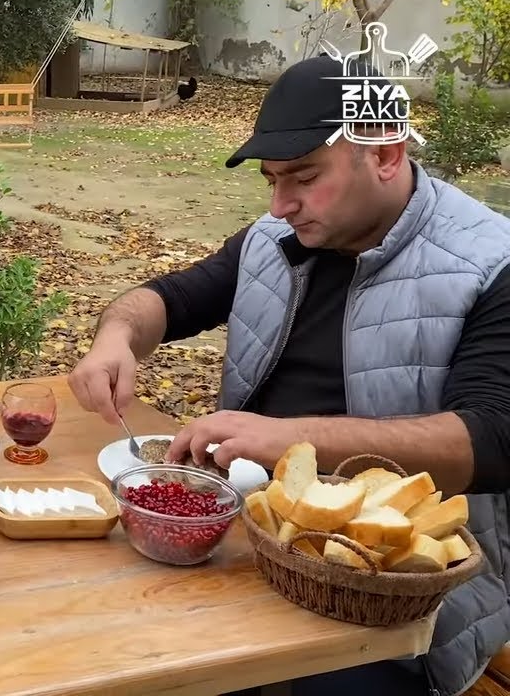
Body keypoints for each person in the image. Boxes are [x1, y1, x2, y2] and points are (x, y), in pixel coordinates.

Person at [68, 55, 510, 696]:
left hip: (393, 595)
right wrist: (115, 336)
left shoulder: (489, 261)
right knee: (93, 630)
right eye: (272, 180)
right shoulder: (274, 238)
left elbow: (492, 440)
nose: (281, 204)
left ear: (384, 152)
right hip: (251, 544)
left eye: (303, 177)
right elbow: (169, 298)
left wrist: (293, 440)